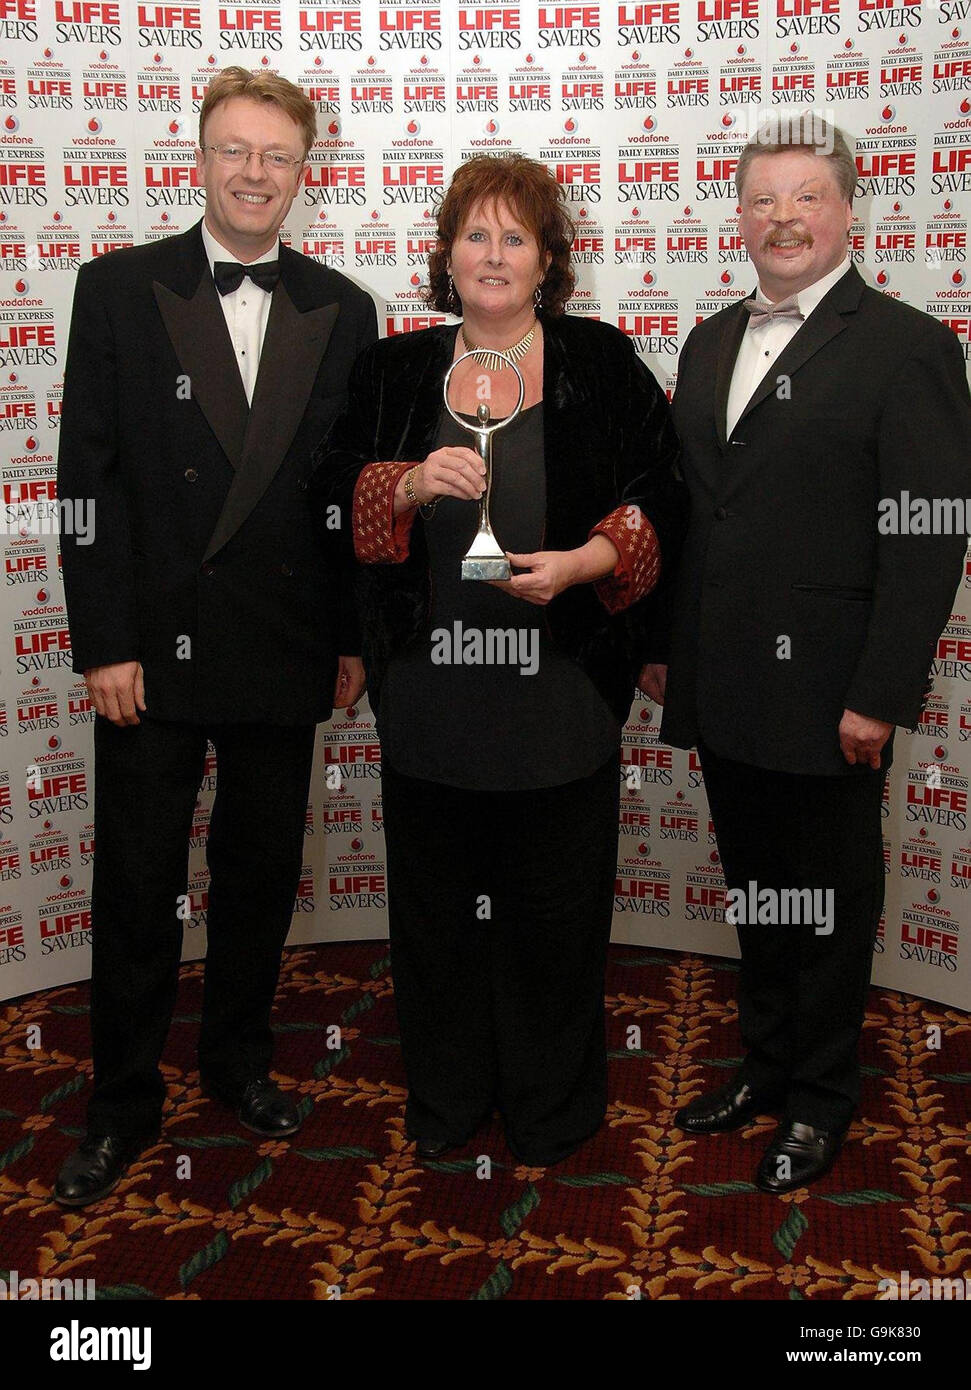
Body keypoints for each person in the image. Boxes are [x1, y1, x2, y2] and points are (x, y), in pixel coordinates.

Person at [317, 154, 686, 1167]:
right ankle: (443, 1104)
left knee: (553, 918)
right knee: (435, 919)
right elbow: (332, 492)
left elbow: (660, 493)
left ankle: (550, 1109)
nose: (492, 255)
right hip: (430, 695)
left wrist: (583, 562)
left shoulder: (600, 364)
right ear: (443, 256)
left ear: (546, 260)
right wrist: (399, 484)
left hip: (558, 692)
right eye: (474, 235)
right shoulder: (394, 370)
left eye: (513, 237)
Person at [53, 66, 377, 1207]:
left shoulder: (344, 306)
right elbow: (84, 483)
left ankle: (238, 1060)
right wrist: (102, 642)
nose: (254, 173)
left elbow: (342, 497)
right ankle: (121, 1103)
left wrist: (345, 636)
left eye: (276, 156)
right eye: (235, 151)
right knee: (138, 881)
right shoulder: (116, 288)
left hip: (283, 642)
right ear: (198, 159)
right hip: (150, 645)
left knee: (257, 875)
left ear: (303, 173)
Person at [642, 116, 971, 1193]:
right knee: (760, 892)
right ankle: (765, 1066)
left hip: (833, 690)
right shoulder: (705, 342)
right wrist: (663, 651)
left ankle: (822, 1100)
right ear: (736, 216)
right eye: (761, 199)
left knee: (825, 903)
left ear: (846, 210)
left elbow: (925, 530)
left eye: (804, 197)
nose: (780, 217)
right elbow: (693, 515)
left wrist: (878, 692)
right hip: (726, 676)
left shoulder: (906, 346)